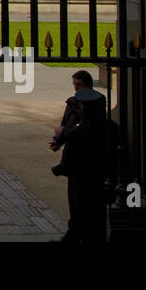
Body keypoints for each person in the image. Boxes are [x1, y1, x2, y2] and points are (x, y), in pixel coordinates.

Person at [50, 70, 109, 243]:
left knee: (78, 209)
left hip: (80, 177)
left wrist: (58, 169)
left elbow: (69, 158)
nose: (76, 89)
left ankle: (75, 237)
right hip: (100, 176)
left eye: (78, 85)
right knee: (97, 211)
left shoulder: (79, 133)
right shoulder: (109, 127)